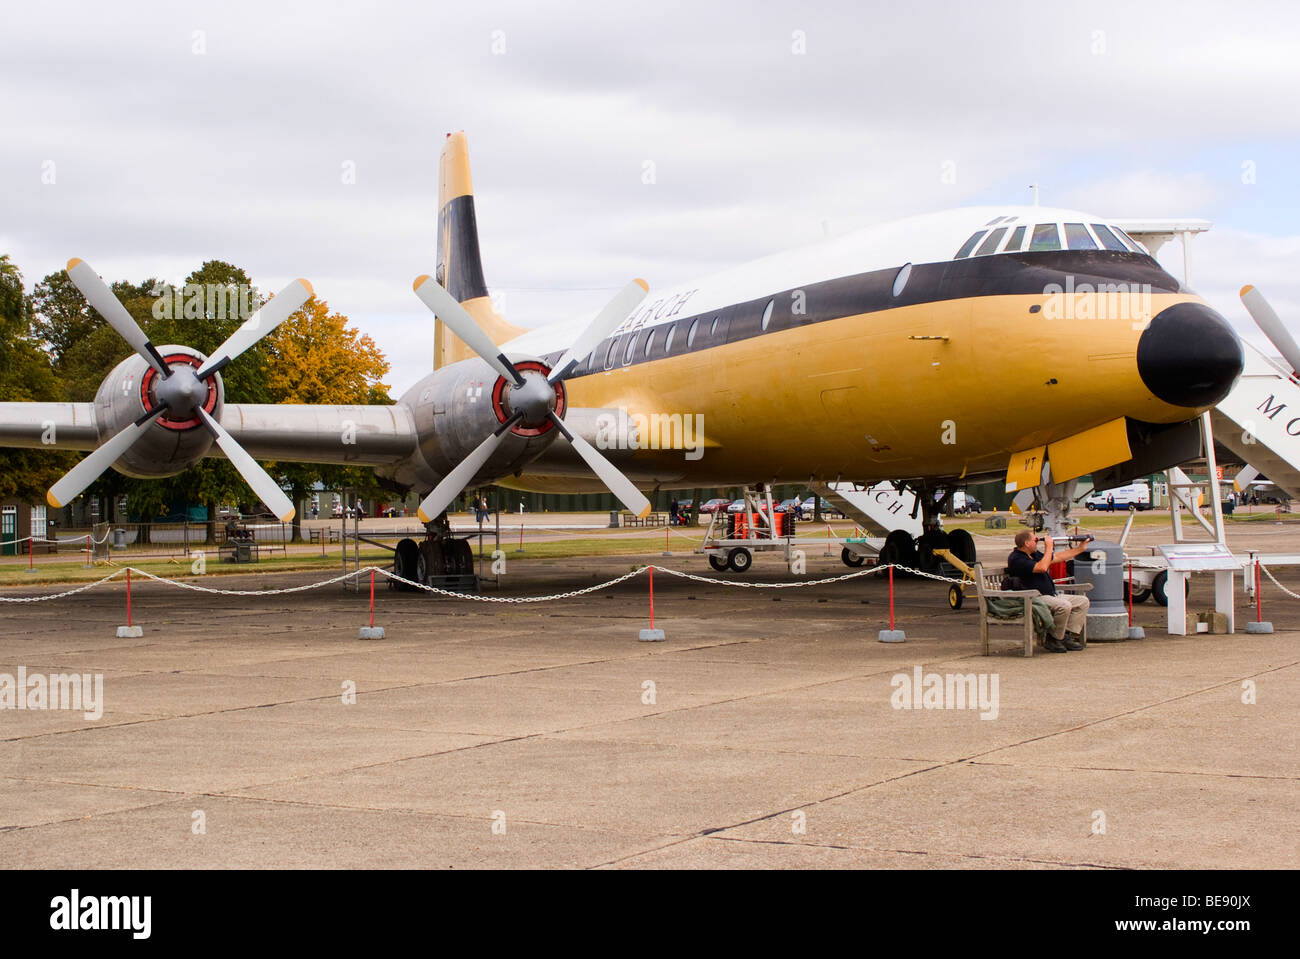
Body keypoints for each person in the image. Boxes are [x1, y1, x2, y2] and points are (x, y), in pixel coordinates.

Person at [1006, 529, 1092, 653]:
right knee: (1064, 606)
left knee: (1082, 601)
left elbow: (1057, 557)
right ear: (1027, 543)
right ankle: (1053, 639)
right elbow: (1042, 567)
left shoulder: (1034, 554)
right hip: (1033, 597)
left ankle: (1065, 636)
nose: (1037, 542)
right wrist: (1049, 548)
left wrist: (1080, 549)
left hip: (1050, 595)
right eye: (1035, 540)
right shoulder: (1016, 559)